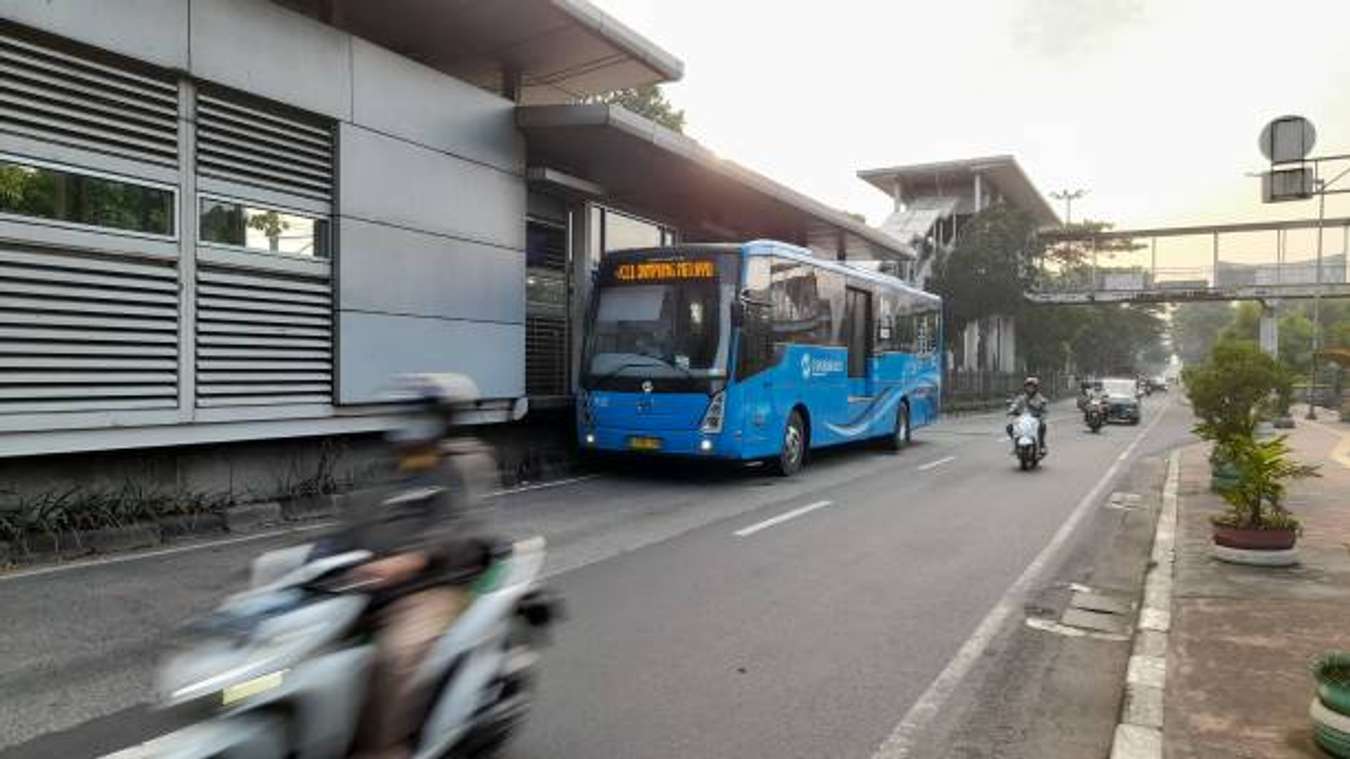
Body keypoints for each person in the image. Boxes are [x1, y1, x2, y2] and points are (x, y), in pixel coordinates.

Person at [341, 374, 496, 759]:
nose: (409, 420)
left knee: (395, 654)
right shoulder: (391, 466)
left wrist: (412, 559)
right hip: (374, 582)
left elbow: (459, 527)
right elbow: (354, 522)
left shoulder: (464, 465)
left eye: (420, 413)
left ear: (445, 418)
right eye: (405, 412)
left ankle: (386, 748)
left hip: (437, 586)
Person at [1007, 376, 1049, 454]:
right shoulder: (1021, 398)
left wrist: (1042, 415)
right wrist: (1011, 411)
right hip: (1022, 419)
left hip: (1034, 420)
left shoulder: (1040, 398)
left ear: (1036, 388)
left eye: (1032, 387)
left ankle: (1042, 445)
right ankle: (1015, 445)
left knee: (1043, 426)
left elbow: (1044, 409)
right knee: (1009, 427)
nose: (1030, 388)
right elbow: (1014, 405)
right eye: (1028, 387)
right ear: (1025, 388)